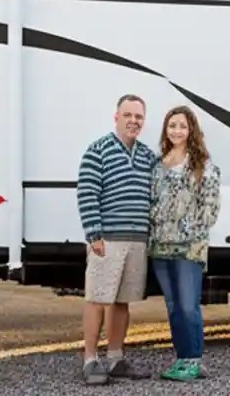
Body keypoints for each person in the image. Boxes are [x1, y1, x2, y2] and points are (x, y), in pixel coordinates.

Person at [76, 93, 157, 385]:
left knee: (122, 301)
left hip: (137, 241)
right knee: (98, 298)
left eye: (138, 117)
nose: (133, 121)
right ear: (116, 117)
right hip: (107, 239)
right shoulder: (98, 150)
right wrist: (94, 234)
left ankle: (115, 358)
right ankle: (89, 360)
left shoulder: (148, 156)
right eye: (128, 115)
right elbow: (87, 193)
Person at [149, 105, 222, 381]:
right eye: (171, 125)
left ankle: (193, 359)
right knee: (172, 305)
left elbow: (210, 209)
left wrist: (187, 229)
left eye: (181, 125)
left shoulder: (202, 164)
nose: (176, 130)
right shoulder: (158, 164)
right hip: (160, 247)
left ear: (191, 130)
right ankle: (182, 359)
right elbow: (152, 202)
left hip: (189, 248)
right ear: (166, 130)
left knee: (188, 304)